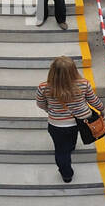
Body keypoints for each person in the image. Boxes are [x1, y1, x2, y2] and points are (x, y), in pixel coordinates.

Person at [36, 56, 95, 184]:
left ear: (52, 71)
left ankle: (67, 175)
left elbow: (40, 104)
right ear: (74, 70)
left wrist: (49, 110)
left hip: (56, 124)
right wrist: (103, 110)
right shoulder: (84, 84)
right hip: (78, 121)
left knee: (61, 151)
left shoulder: (43, 87)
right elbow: (93, 100)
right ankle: (72, 146)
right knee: (73, 135)